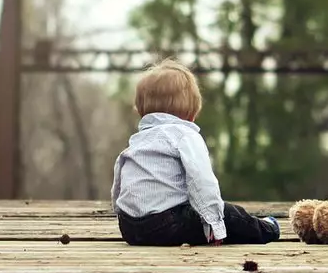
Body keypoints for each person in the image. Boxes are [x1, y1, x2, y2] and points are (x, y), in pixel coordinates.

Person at [111, 58, 281, 247]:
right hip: (168, 224)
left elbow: (119, 175)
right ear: (191, 113)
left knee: (200, 215)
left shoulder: (138, 140)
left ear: (142, 111)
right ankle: (267, 229)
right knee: (229, 214)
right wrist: (215, 224)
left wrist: (121, 211)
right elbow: (201, 181)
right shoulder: (184, 135)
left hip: (130, 228)